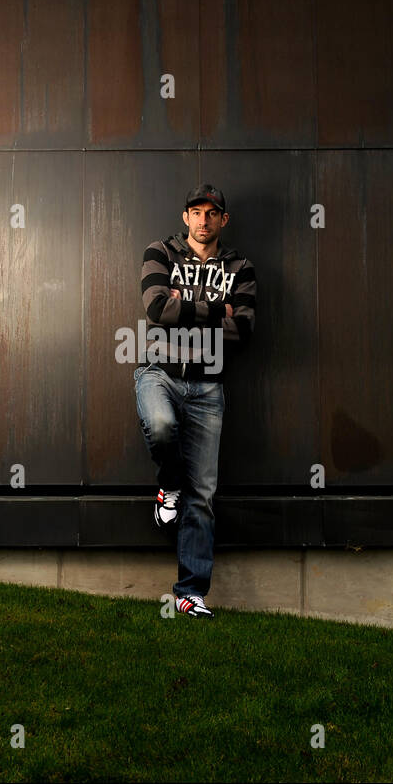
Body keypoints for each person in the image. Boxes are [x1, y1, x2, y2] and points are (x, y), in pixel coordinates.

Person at [134, 183, 256, 619]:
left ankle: (189, 594)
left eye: (212, 213)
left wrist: (186, 303)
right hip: (159, 373)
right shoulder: (160, 253)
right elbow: (156, 310)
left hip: (208, 387)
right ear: (185, 217)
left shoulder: (240, 266)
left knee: (202, 494)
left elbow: (242, 330)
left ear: (223, 219)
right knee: (162, 427)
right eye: (196, 212)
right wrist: (214, 309)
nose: (203, 220)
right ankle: (168, 486)